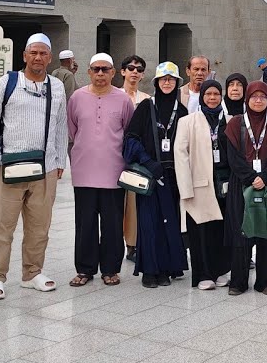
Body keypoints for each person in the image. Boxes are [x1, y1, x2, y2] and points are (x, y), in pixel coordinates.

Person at [0, 33, 68, 301]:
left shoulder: (56, 86)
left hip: (45, 168)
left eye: (43, 53)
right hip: (10, 167)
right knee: (2, 226)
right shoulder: (8, 82)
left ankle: (32, 273)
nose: (38, 57)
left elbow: (61, 126)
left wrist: (60, 160)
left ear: (50, 58)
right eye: (34, 53)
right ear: (25, 56)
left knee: (40, 226)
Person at [66, 53, 134, 288]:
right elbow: (73, 131)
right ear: (89, 72)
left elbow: (128, 132)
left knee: (112, 224)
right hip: (84, 172)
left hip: (114, 173)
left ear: (114, 73)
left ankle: (110, 269)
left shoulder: (123, 100)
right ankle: (84, 269)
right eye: (96, 69)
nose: (100, 74)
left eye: (105, 69)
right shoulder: (77, 97)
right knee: (85, 223)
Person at [123, 61, 190, 287]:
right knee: (149, 222)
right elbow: (131, 138)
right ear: (157, 82)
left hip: (173, 176)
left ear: (178, 82)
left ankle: (167, 269)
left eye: (172, 79)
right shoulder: (145, 107)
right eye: (164, 79)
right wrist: (148, 161)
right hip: (151, 175)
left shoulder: (182, 111)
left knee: (170, 222)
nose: (168, 82)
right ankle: (150, 270)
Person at [223, 82, 267, 295]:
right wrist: (251, 177)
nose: (258, 100)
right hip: (241, 185)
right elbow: (233, 158)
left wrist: (264, 177)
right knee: (242, 232)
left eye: (263, 97)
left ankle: (265, 282)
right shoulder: (235, 124)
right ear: (247, 99)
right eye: (254, 96)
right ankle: (238, 282)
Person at [173, 79, 231, 290]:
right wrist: (186, 189)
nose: (213, 98)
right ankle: (203, 274)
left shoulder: (230, 120)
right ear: (202, 97)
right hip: (200, 185)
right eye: (208, 94)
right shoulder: (189, 121)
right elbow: (180, 155)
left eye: (216, 94)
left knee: (221, 230)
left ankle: (221, 270)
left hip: (224, 185)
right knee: (201, 233)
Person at [118, 55, 149, 263]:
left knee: (132, 202)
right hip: (112, 155)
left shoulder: (147, 99)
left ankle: (132, 244)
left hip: (134, 158)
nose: (134, 72)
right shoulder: (114, 95)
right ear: (122, 72)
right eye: (131, 68)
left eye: (139, 69)